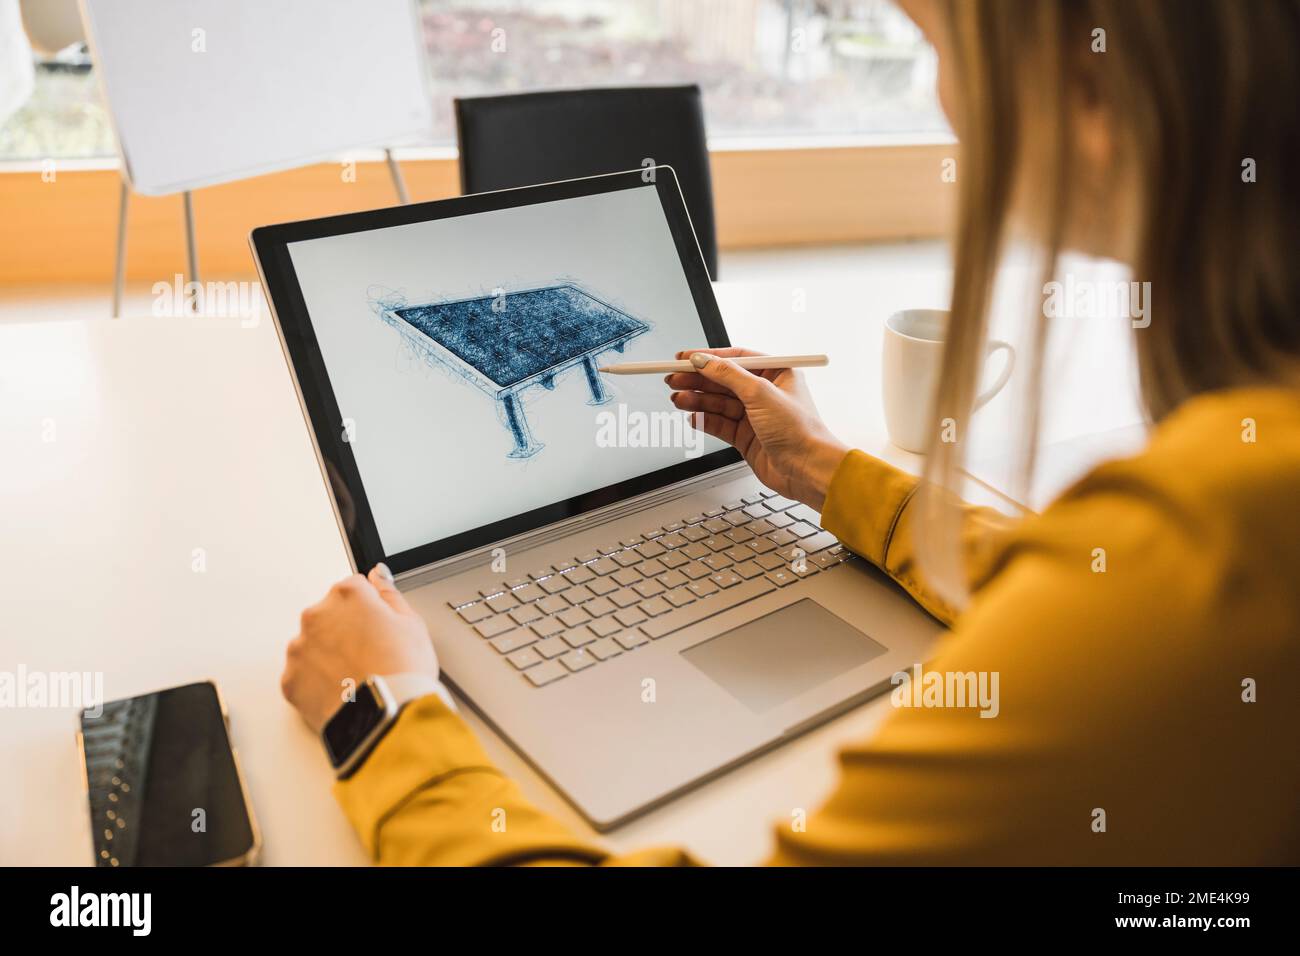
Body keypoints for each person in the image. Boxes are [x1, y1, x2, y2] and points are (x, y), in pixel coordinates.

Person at [280, 0, 1300, 865]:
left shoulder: (1204, 546)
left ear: (1094, 91)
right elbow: (1102, 598)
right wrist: (823, 470)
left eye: (942, 50)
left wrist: (388, 717)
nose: (945, 105)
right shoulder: (1229, 506)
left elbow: (1131, 595)